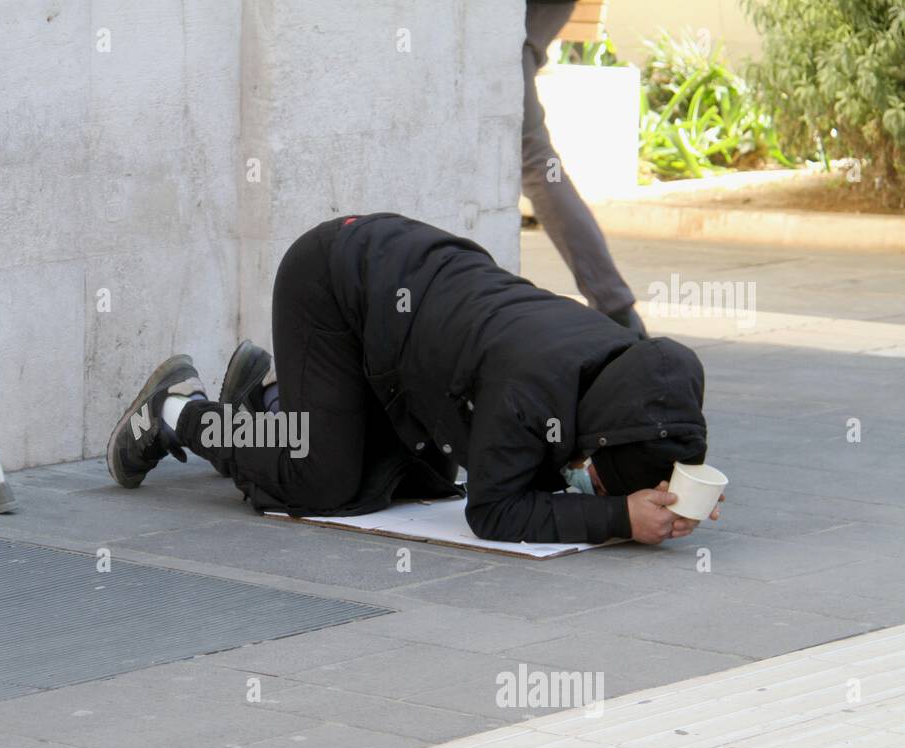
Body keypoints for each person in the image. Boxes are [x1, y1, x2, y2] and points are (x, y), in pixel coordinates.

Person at [106, 213, 721, 545]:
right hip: (331, 284)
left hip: (403, 295)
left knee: (412, 478)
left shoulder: (620, 363)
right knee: (322, 479)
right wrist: (619, 519)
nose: (589, 470)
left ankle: (267, 407)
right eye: (600, 470)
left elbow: (627, 433)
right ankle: (176, 412)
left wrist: (672, 490)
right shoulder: (530, 387)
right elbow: (496, 512)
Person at [522, 0, 645, 335]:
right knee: (532, 162)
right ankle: (614, 304)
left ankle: (615, 305)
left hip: (513, 34)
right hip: (523, 31)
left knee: (534, 162)